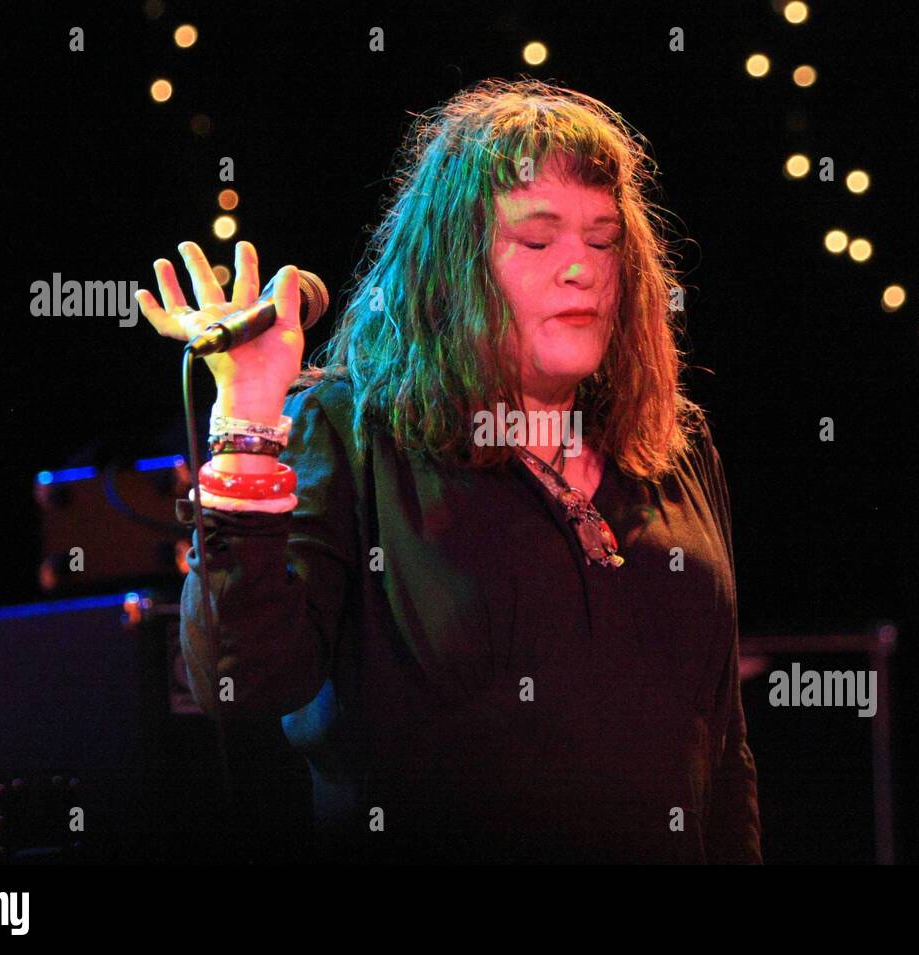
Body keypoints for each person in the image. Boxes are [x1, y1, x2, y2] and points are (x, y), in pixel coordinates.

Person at [136, 78, 761, 864]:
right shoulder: (354, 432)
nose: (582, 269)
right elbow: (247, 678)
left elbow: (724, 748)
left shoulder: (673, 445)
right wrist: (249, 418)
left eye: (603, 241)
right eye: (538, 241)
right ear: (453, 268)